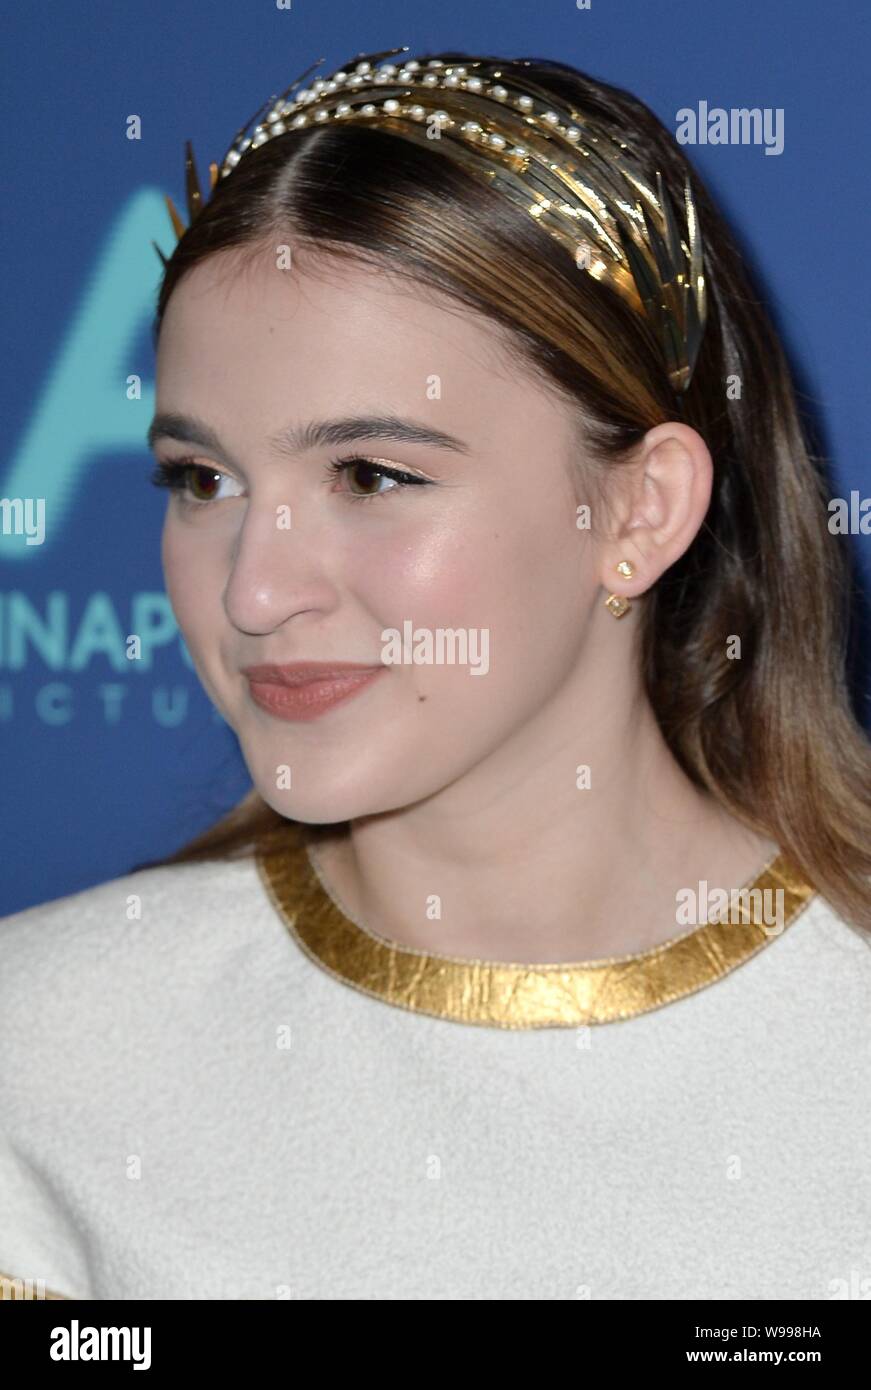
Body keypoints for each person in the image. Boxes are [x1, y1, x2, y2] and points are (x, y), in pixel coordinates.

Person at [2, 45, 869, 1302]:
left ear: (640, 510)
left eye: (370, 475)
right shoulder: (43, 1056)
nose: (253, 590)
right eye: (203, 480)